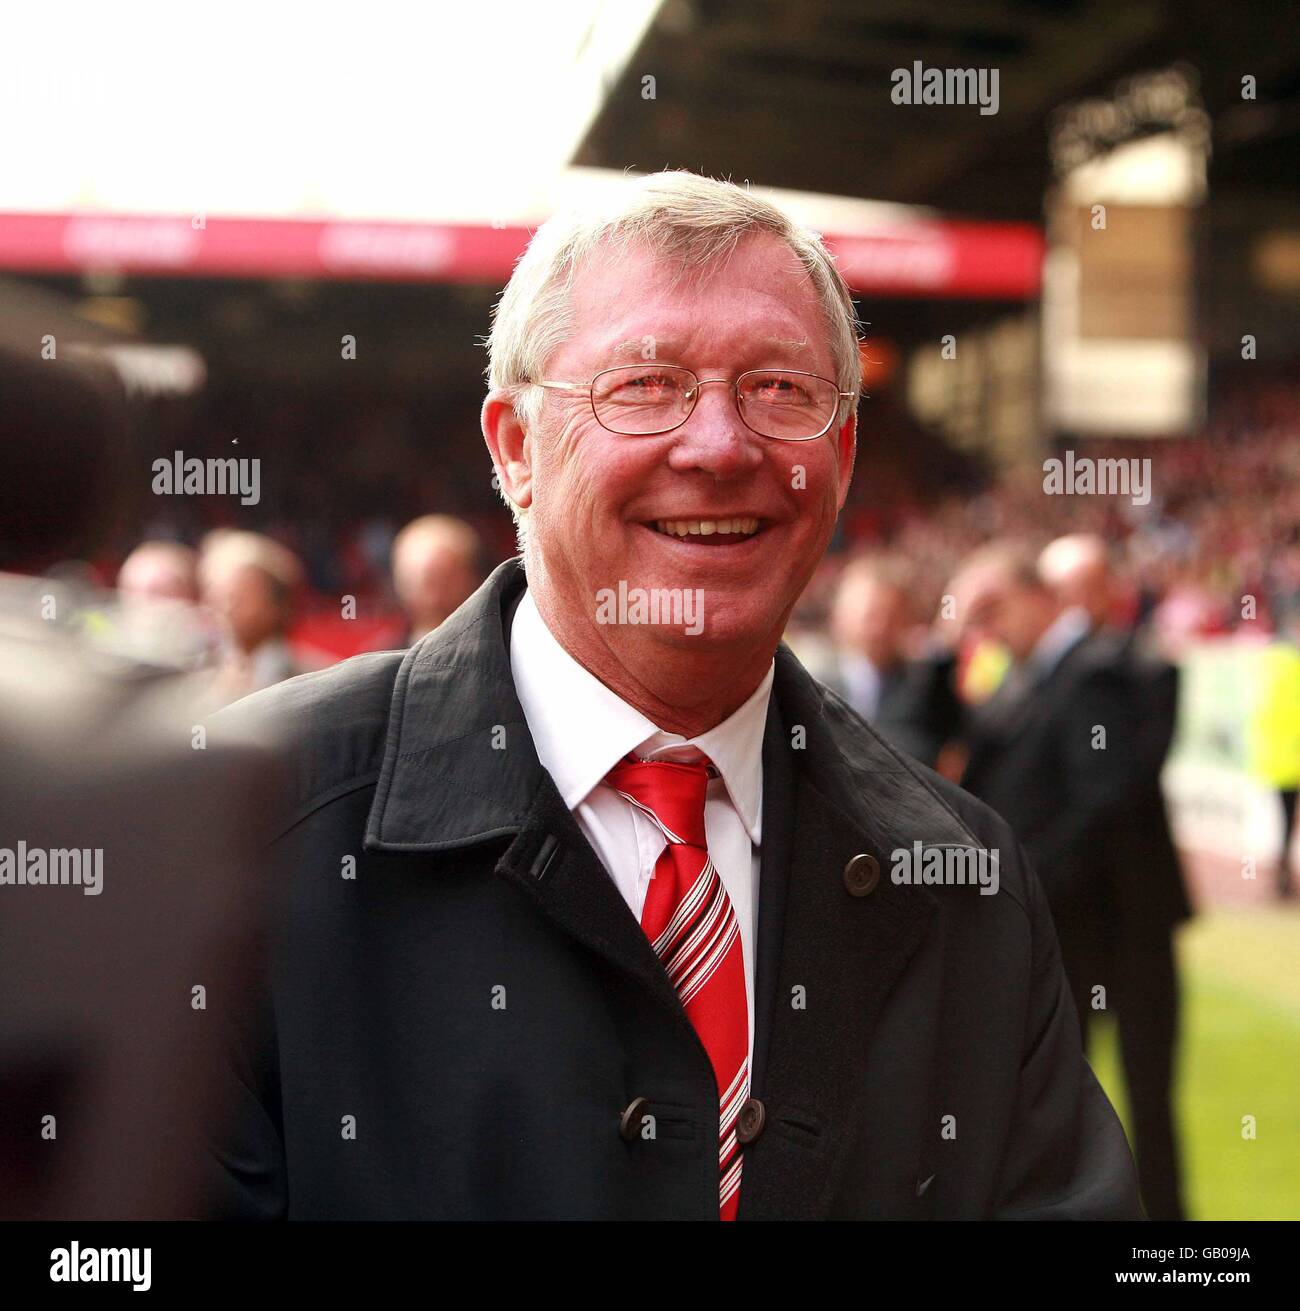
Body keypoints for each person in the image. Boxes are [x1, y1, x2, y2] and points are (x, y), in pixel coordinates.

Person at [205, 172, 1143, 1221]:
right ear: (514, 448)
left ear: (838, 458)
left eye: (780, 390)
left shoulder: (966, 884)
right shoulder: (235, 829)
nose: (720, 445)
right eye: (643, 385)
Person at [1036, 533, 1191, 1221]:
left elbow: (1121, 784)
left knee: (1148, 1094)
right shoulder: (1037, 670)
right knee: (1064, 1098)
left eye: (1087, 586)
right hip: (1072, 922)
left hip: (1134, 920)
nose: (1076, 604)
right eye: (1064, 590)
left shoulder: (1143, 668)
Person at [825, 554, 961, 769]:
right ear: (840, 616)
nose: (879, 628)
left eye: (891, 617)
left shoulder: (929, 687)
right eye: (870, 616)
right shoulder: (813, 682)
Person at [199, 530, 304, 704]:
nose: (228, 607)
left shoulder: (316, 678)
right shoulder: (190, 683)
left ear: (277, 603)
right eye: (220, 595)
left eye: (240, 596)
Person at [389, 513, 484, 643]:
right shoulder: (383, 657)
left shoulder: (501, 648)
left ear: (471, 577)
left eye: (446, 581)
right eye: (425, 582)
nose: (435, 598)